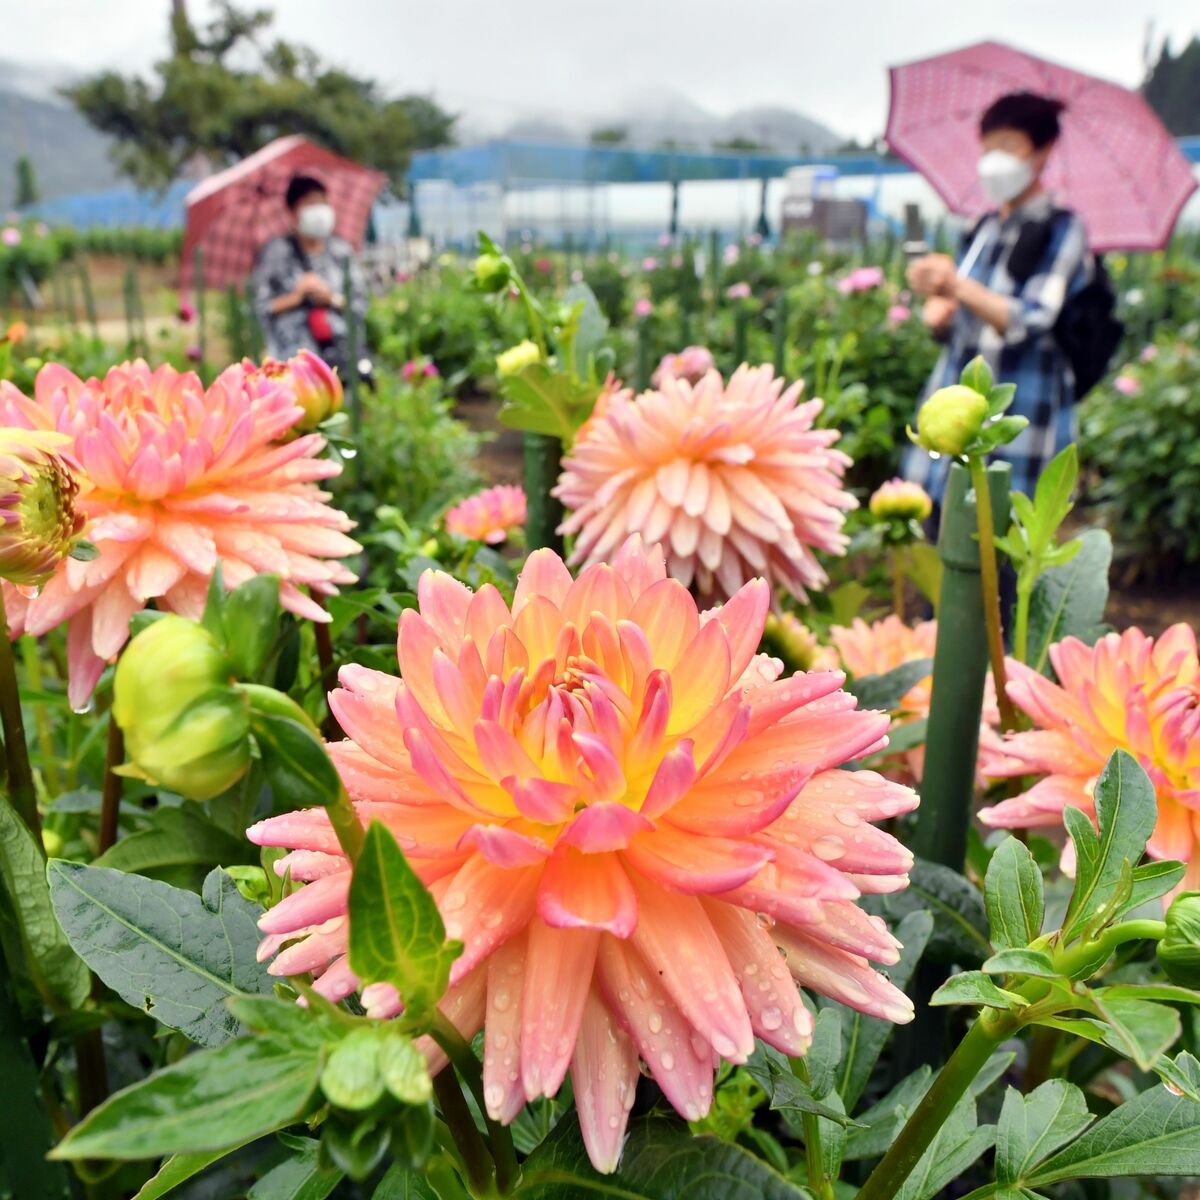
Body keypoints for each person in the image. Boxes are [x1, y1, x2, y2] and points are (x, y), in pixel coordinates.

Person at [903, 91, 1091, 506]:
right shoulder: (982, 227)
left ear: (1042, 151)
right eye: (987, 149)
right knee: (943, 523)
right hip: (955, 398)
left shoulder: (1062, 228)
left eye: (1007, 147)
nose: (993, 160)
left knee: (1001, 531)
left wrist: (956, 286)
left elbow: (1032, 317)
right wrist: (941, 317)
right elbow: (964, 317)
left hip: (1023, 399)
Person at [253, 173, 366, 372]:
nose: (318, 210)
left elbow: (360, 304)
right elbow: (261, 307)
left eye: (322, 202)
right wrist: (297, 297)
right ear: (293, 211)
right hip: (293, 358)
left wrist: (330, 298)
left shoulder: (341, 251)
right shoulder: (276, 254)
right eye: (310, 203)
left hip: (342, 352)